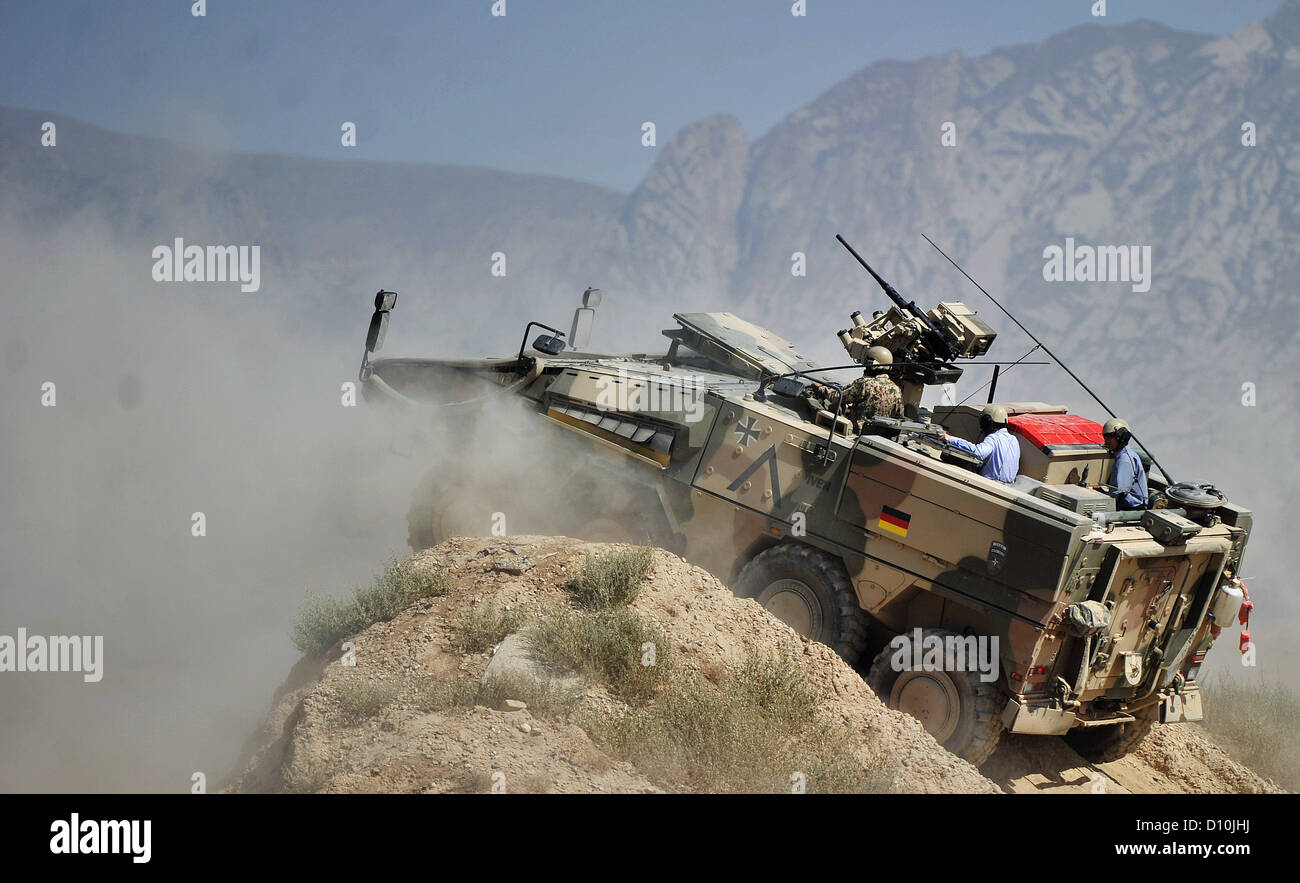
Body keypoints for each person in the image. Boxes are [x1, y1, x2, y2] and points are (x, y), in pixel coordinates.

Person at [801, 346, 902, 431]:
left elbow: (837, 397)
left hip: (857, 432)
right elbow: (899, 417)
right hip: (879, 437)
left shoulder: (866, 384)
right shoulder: (897, 390)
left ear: (873, 365)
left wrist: (821, 388)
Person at [939, 404, 1020, 484]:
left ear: (987, 422)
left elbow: (979, 452)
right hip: (1007, 487)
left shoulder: (993, 438)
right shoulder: (1014, 440)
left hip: (989, 485)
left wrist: (951, 439)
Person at [1101, 417, 1148, 510]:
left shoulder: (1124, 459)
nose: (1106, 441)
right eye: (1105, 437)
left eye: (1110, 437)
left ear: (1121, 437)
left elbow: (1120, 494)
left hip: (1130, 507)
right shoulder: (1124, 454)